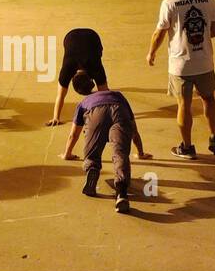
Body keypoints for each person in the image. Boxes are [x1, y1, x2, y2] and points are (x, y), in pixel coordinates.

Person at [146, 0, 215, 159]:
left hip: (180, 65)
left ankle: (187, 147)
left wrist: (152, 52)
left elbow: (159, 33)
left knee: (184, 105)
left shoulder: (169, 3)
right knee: (209, 99)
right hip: (205, 61)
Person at [59, 75, 150, 214]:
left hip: (95, 114)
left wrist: (67, 154)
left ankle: (92, 168)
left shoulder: (83, 103)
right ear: (93, 83)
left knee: (92, 152)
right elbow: (133, 128)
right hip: (118, 111)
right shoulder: (117, 95)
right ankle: (121, 193)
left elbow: (74, 135)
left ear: (78, 91)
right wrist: (140, 152)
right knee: (120, 153)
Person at [46, 28, 107, 126]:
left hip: (89, 37)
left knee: (97, 54)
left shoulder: (95, 66)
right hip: (72, 37)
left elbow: (60, 95)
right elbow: (105, 94)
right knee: (95, 57)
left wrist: (56, 117)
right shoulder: (68, 68)